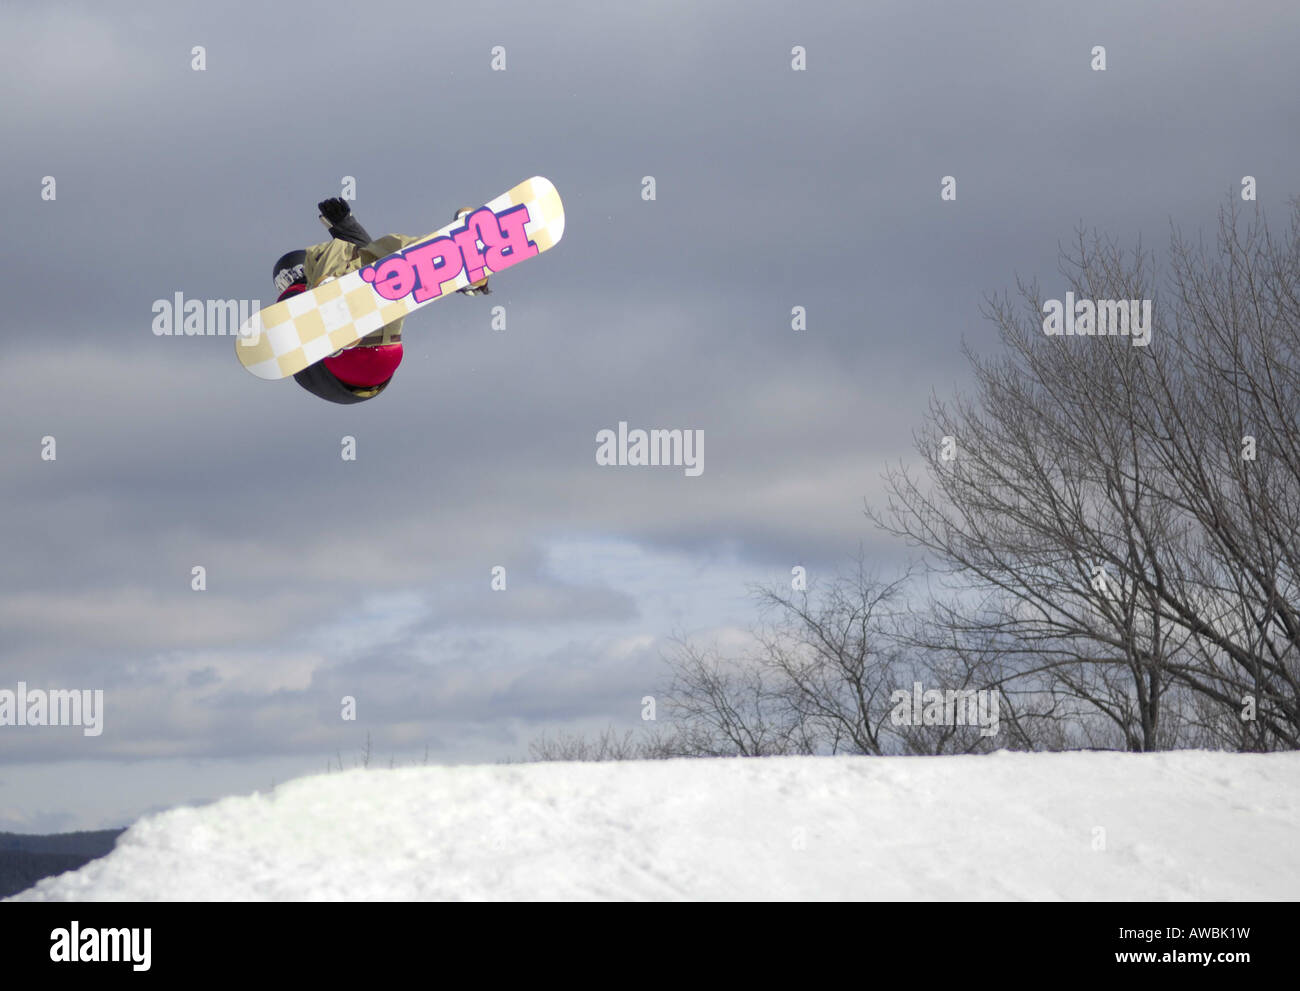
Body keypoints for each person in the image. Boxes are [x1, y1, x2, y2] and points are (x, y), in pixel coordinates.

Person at [273, 198, 489, 404]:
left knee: (396, 259)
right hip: (344, 363)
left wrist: (347, 225)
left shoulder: (343, 288)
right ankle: (334, 324)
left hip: (374, 357)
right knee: (334, 250)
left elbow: (374, 269)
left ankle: (455, 259)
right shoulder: (295, 299)